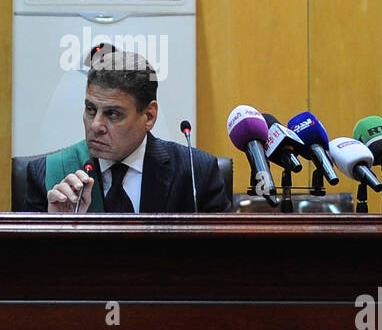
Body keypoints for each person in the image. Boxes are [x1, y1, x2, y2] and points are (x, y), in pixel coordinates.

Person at [23, 49, 230, 213]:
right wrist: (57, 228)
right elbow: (24, 265)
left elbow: (225, 263)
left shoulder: (196, 173)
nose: (96, 125)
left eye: (112, 114)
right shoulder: (47, 176)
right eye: (90, 109)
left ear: (149, 116)